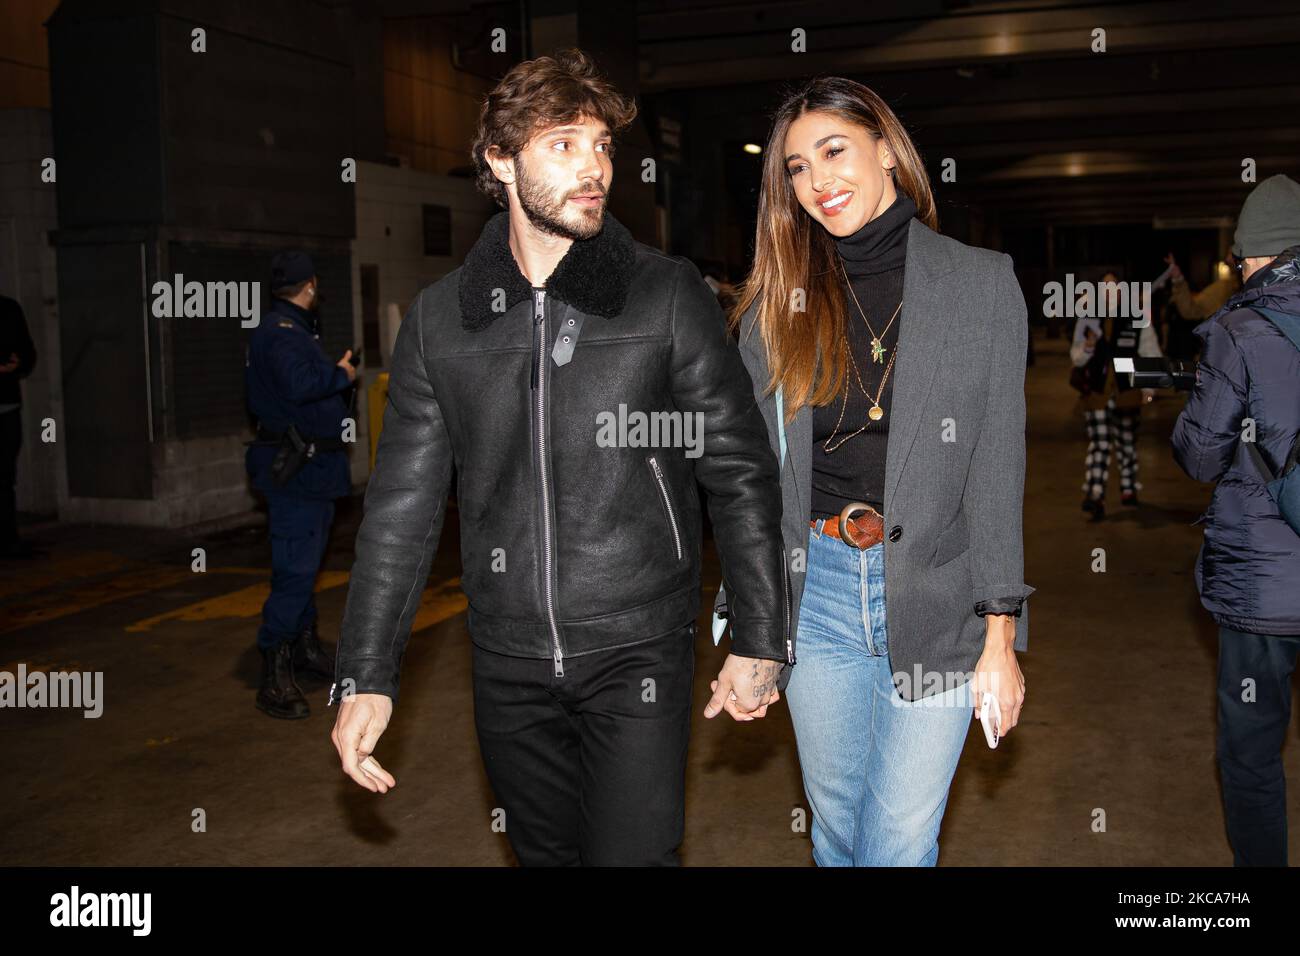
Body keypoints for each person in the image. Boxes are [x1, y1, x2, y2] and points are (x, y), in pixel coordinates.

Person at [328, 49, 789, 867]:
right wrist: (366, 672)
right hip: (506, 658)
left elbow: (738, 467)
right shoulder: (442, 321)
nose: (595, 169)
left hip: (639, 642)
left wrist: (758, 633)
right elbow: (400, 506)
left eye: (603, 146)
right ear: (500, 162)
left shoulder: (664, 292)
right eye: (564, 144)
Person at [717, 76, 1032, 866]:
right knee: (837, 832)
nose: (818, 181)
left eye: (834, 152)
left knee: (895, 843)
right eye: (796, 168)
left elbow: (997, 469)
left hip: (938, 598)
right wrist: (751, 628)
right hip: (815, 595)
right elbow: (752, 482)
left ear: (886, 151)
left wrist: (1002, 635)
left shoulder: (980, 284)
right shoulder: (775, 305)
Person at [1172, 173, 1300, 867]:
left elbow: (1199, 457)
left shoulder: (1239, 330)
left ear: (1254, 258)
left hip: (1265, 590)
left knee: (1252, 750)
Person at [245, 251, 357, 718]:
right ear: (309, 285)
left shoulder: (287, 330)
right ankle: (274, 669)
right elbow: (300, 384)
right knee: (295, 569)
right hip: (299, 474)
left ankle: (304, 647)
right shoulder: (283, 334)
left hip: (312, 471)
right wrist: (342, 375)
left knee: (304, 564)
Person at [1070, 272, 1162, 520]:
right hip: (1097, 392)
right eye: (1104, 287)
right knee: (1099, 442)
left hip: (1127, 391)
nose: (1109, 293)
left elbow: (1150, 352)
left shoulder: (1137, 317)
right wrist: (1087, 346)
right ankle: (1095, 494)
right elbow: (1076, 357)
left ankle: (1128, 486)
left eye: (1114, 287)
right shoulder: (1088, 317)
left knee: (1127, 442)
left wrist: (1149, 389)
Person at [0, 291, 37, 558]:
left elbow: (27, 352)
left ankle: (8, 539)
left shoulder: (8, 309)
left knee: (4, 476)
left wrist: (18, 363)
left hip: (6, 406)